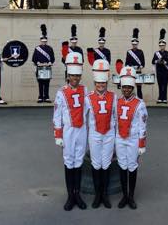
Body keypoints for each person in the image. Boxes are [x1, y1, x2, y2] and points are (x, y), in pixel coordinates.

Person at [53, 49, 88, 211]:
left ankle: (77, 194)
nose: (75, 78)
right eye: (73, 76)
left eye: (78, 76)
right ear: (68, 76)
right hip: (68, 131)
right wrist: (58, 134)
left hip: (81, 131)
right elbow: (57, 115)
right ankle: (70, 196)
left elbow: (90, 111)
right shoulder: (61, 93)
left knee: (79, 162)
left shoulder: (85, 90)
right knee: (69, 161)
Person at [115, 66, 147, 210]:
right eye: (124, 87)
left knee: (132, 166)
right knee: (122, 166)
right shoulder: (117, 102)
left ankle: (131, 196)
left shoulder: (140, 104)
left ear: (132, 87)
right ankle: (124, 196)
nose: (126, 89)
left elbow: (142, 125)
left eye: (129, 87)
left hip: (133, 139)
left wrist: (141, 144)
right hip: (120, 138)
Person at [86, 58, 116, 209]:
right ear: (95, 83)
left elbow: (117, 117)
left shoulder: (113, 96)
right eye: (98, 83)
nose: (101, 85)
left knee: (106, 164)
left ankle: (105, 194)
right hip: (95, 134)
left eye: (103, 83)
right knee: (96, 164)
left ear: (106, 83)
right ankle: (98, 195)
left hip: (109, 134)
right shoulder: (88, 97)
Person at [32, 24, 54, 103]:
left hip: (47, 67)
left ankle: (47, 97)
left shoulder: (50, 48)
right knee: (40, 83)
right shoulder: (37, 48)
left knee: (47, 83)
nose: (44, 42)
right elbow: (34, 58)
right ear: (40, 41)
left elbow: (52, 58)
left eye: (45, 41)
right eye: (43, 41)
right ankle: (40, 97)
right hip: (40, 67)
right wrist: (37, 62)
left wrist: (49, 62)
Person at [124, 28, 146, 100]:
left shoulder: (140, 52)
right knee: (130, 87)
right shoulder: (129, 52)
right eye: (133, 44)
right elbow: (126, 63)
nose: (134, 45)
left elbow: (143, 63)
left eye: (135, 44)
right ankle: (131, 100)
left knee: (139, 88)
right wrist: (131, 67)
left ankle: (140, 100)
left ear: (137, 44)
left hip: (138, 71)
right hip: (131, 72)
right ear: (132, 44)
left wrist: (139, 66)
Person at [151, 29, 168, 104]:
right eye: (160, 45)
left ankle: (165, 98)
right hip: (159, 70)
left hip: (165, 71)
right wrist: (158, 61)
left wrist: (164, 62)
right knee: (160, 84)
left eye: (163, 45)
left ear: (165, 45)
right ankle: (160, 98)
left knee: (165, 84)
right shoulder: (156, 53)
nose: (162, 46)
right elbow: (153, 61)